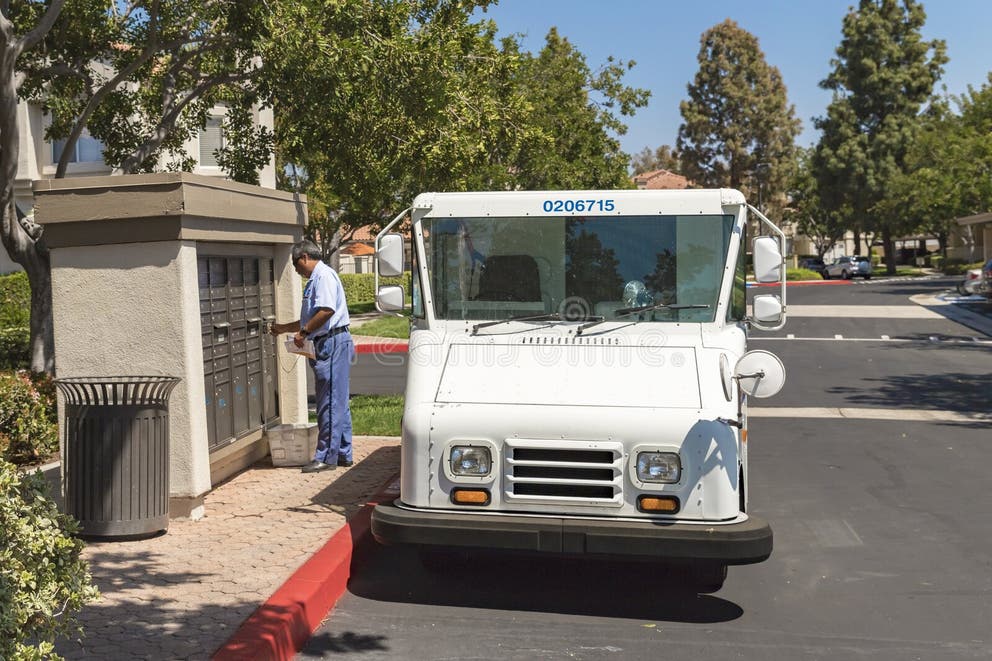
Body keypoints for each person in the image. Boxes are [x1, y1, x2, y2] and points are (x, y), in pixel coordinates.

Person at [270, 240, 354, 473]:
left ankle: (326, 457)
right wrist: (284, 328)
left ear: (305, 256)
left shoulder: (323, 276)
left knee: (329, 401)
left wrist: (304, 333)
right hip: (329, 341)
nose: (297, 270)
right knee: (338, 401)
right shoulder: (316, 279)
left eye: (297, 265)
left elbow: (326, 311)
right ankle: (343, 452)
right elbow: (311, 316)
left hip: (332, 342)